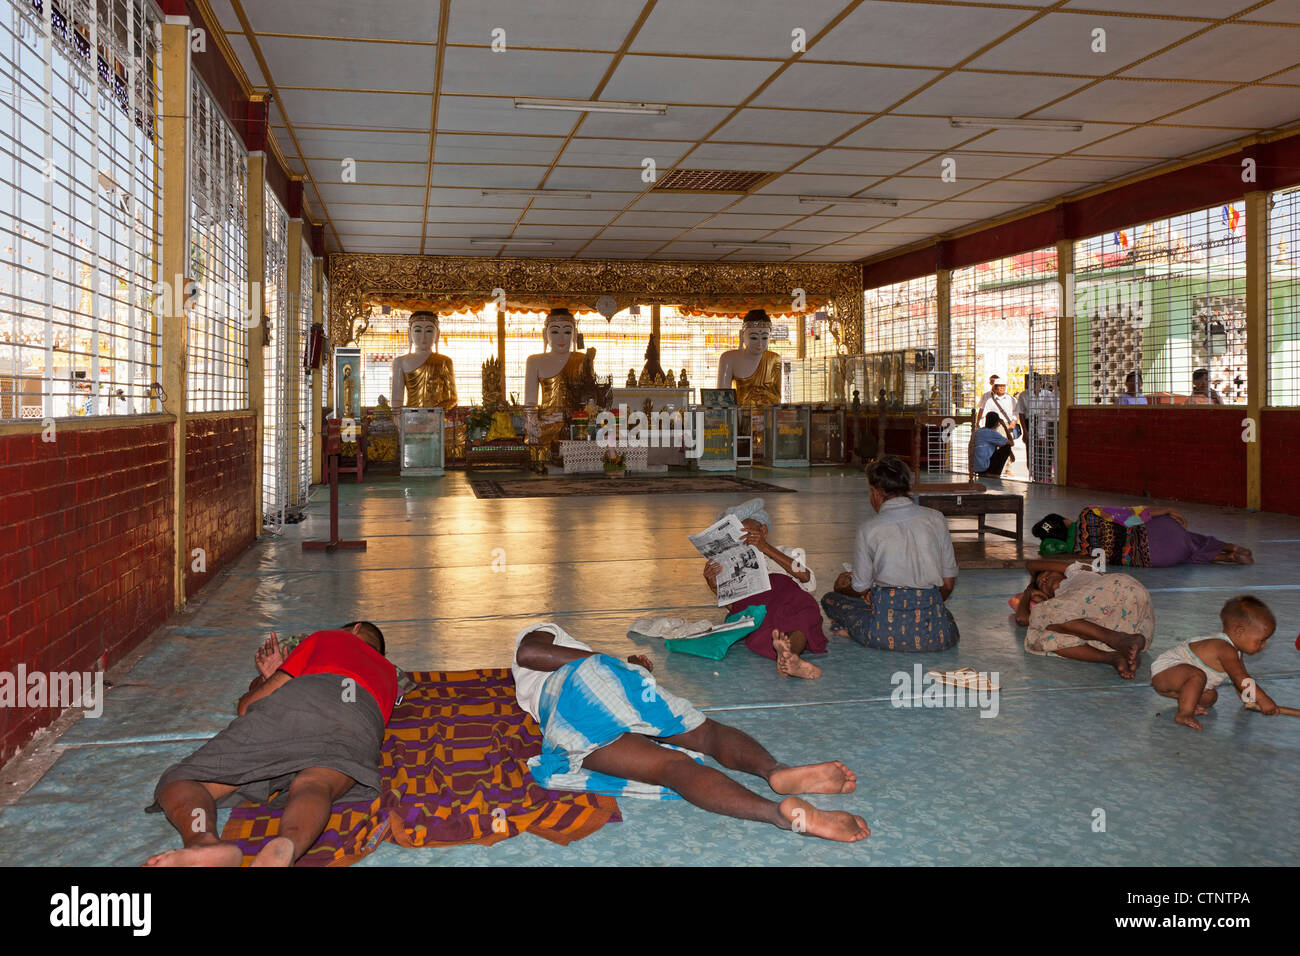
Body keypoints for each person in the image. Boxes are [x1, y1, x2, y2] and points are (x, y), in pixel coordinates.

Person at [512, 623, 869, 842]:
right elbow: (531, 650)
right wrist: (622, 664)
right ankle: (774, 771)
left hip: (566, 721)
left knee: (674, 769)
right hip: (597, 680)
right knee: (707, 734)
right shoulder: (544, 629)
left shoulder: (541, 680)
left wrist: (625, 665)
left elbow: (545, 662)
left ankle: (778, 813)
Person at [145, 622, 397, 867]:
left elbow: (247, 706)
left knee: (185, 780)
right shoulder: (389, 673)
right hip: (360, 719)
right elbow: (347, 699)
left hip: (306, 699)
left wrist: (271, 677)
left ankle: (202, 840)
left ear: (354, 629)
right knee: (315, 785)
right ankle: (288, 845)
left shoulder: (330, 638)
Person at [822, 455, 960, 652]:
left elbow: (860, 588)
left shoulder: (869, 529)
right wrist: (920, 605)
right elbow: (947, 584)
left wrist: (842, 587)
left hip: (883, 633)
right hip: (935, 636)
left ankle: (850, 628)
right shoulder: (936, 519)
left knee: (831, 600)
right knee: (944, 615)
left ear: (875, 492)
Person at [702, 498, 828, 679]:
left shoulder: (787, 551)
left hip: (792, 603)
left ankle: (789, 655)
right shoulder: (734, 565)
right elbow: (735, 607)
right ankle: (789, 658)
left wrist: (765, 548)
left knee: (805, 617)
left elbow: (806, 577)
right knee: (760, 632)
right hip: (761, 611)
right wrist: (713, 585)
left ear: (763, 531)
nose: (744, 543)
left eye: (749, 535)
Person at [1150, 596, 1279, 731]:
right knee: (1197, 676)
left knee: (1211, 697)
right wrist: (1263, 699)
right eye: (1261, 640)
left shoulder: (1236, 653)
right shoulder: (1224, 648)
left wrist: (1249, 700)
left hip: (1180, 682)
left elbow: (1239, 680)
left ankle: (1186, 700)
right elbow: (1241, 678)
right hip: (1166, 670)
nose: (1264, 645)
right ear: (1240, 632)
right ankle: (1184, 713)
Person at [1013, 559, 1152, 678]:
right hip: (1128, 625)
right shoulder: (1062, 605)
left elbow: (1030, 565)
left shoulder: (1078, 571)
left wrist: (1034, 583)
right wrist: (1028, 591)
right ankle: (1113, 657)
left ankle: (1117, 639)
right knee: (1038, 637)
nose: (1044, 579)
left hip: (1122, 590)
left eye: (1048, 573)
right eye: (1041, 584)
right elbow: (1022, 619)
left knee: (1040, 613)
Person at [1032, 507, 1253, 566]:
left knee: (1183, 554)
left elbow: (1046, 548)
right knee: (1184, 536)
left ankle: (1224, 559)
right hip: (1163, 536)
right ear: (1065, 521)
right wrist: (1164, 510)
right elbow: (1131, 515)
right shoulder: (1088, 515)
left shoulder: (1075, 550)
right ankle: (1229, 547)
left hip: (1154, 559)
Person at [971, 411, 1013, 477]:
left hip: (973, 467)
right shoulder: (993, 433)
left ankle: (985, 472)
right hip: (984, 467)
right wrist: (1005, 426)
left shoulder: (977, 431)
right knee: (1007, 447)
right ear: (997, 423)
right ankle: (993, 473)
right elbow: (1011, 443)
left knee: (996, 446)